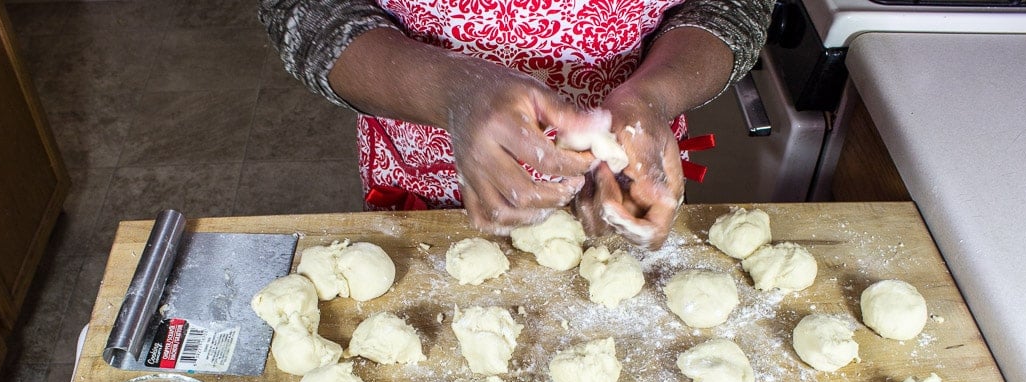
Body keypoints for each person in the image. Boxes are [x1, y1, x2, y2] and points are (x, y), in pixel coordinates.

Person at [258, 0, 774, 248]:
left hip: (627, 168)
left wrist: (654, 96)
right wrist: (452, 92)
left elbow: (731, 6)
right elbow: (303, 10)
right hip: (435, 169)